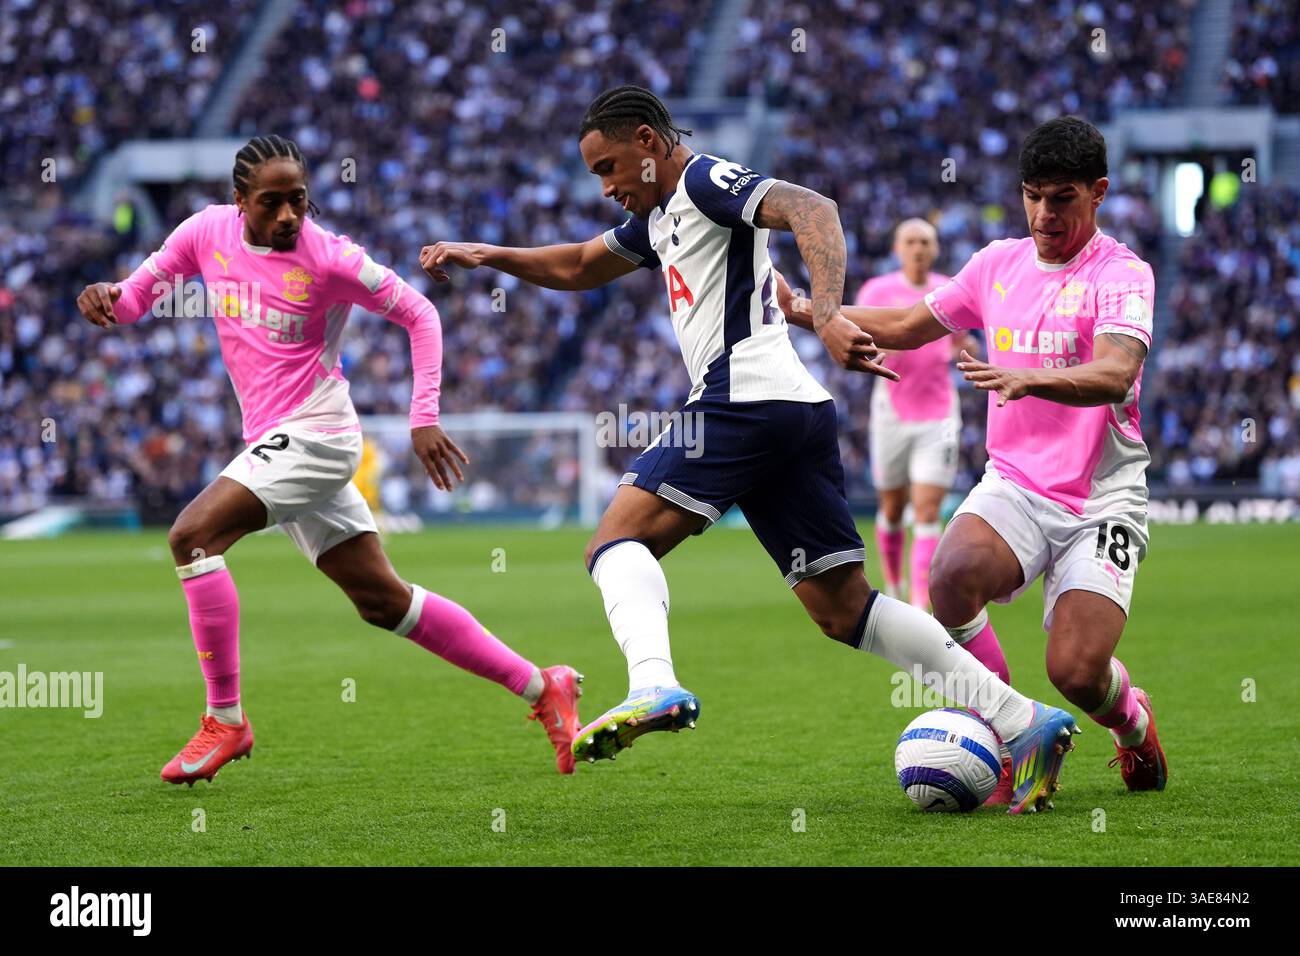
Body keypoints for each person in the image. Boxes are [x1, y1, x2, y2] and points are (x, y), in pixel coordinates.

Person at [422, 86, 1078, 814]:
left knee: (613, 542)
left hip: (744, 398)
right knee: (843, 610)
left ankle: (652, 682)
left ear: (647, 140)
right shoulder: (658, 217)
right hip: (793, 413)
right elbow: (580, 265)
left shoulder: (704, 180)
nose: (606, 187)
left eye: (608, 166)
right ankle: (1026, 722)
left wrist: (826, 314)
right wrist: (491, 255)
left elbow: (813, 209)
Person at [76, 135, 583, 784]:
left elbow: (421, 314)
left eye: (299, 200)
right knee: (384, 602)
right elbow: (138, 297)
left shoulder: (331, 256)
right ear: (239, 203)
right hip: (273, 443)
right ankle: (544, 687)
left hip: (317, 436)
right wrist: (106, 296)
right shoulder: (206, 232)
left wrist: (423, 416)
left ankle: (225, 719)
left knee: (193, 537)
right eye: (272, 203)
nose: (289, 215)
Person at [784, 117, 1167, 799]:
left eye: (1063, 198)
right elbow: (904, 326)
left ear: (1099, 193)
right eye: (1033, 196)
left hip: (1102, 494)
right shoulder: (998, 264)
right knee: (951, 577)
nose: (1045, 214)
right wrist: (809, 309)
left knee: (1077, 672)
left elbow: (1114, 372)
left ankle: (1133, 725)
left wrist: (1031, 379)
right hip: (1017, 482)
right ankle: (1013, 729)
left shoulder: (1123, 275)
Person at [851, 219, 975, 610]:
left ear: (935, 248)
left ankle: (921, 602)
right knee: (891, 506)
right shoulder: (877, 290)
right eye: (911, 241)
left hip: (938, 415)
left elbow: (960, 341)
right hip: (890, 411)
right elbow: (852, 336)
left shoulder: (949, 290)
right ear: (897, 247)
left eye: (925, 241)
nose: (918, 248)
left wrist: (963, 351)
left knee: (925, 509)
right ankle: (894, 581)